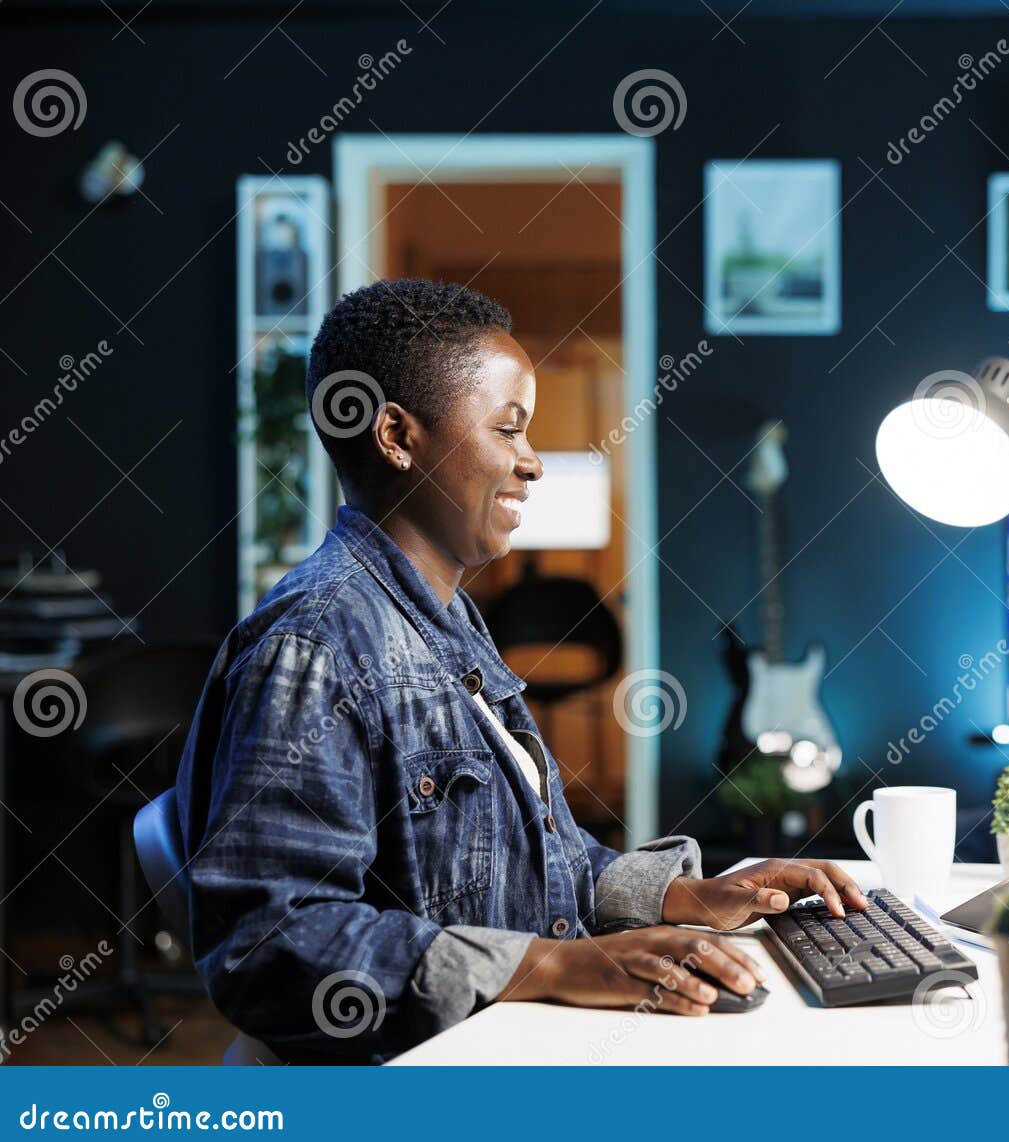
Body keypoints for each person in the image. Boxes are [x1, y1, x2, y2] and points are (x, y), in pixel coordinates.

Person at [176, 278, 867, 1061]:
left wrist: (690, 896)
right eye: (509, 429)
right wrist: (555, 965)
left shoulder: (449, 619)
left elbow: (542, 862)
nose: (532, 463)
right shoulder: (316, 644)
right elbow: (268, 944)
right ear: (397, 435)